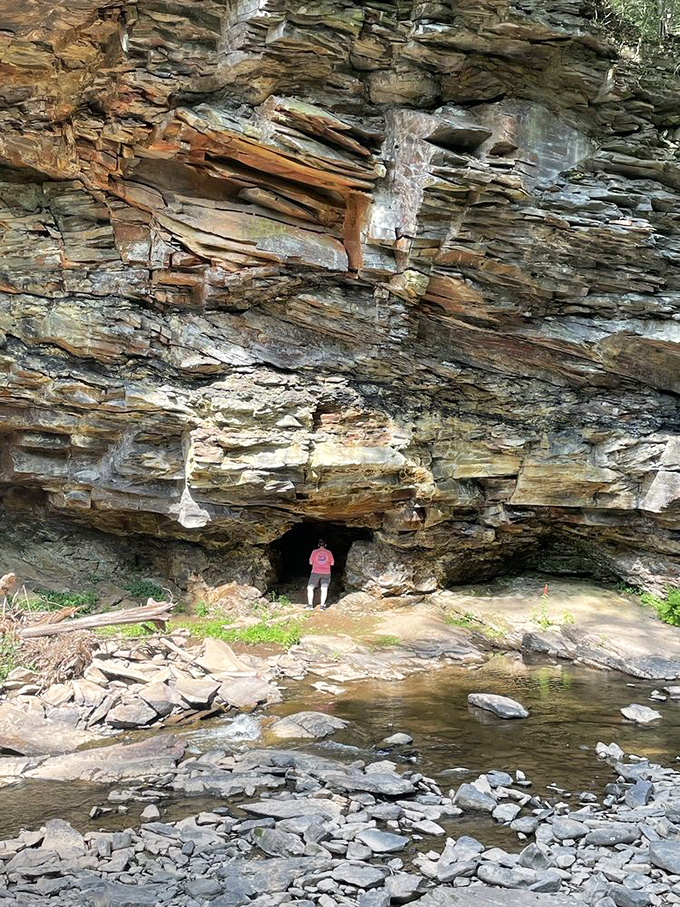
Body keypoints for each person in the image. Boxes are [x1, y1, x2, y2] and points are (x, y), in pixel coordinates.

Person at [307, 539, 334, 609]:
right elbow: (332, 563)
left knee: (310, 588)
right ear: (326, 545)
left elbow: (310, 562)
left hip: (315, 572)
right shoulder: (329, 552)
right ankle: (322, 606)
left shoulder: (314, 552)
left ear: (318, 545)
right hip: (326, 573)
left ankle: (310, 605)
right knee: (324, 588)